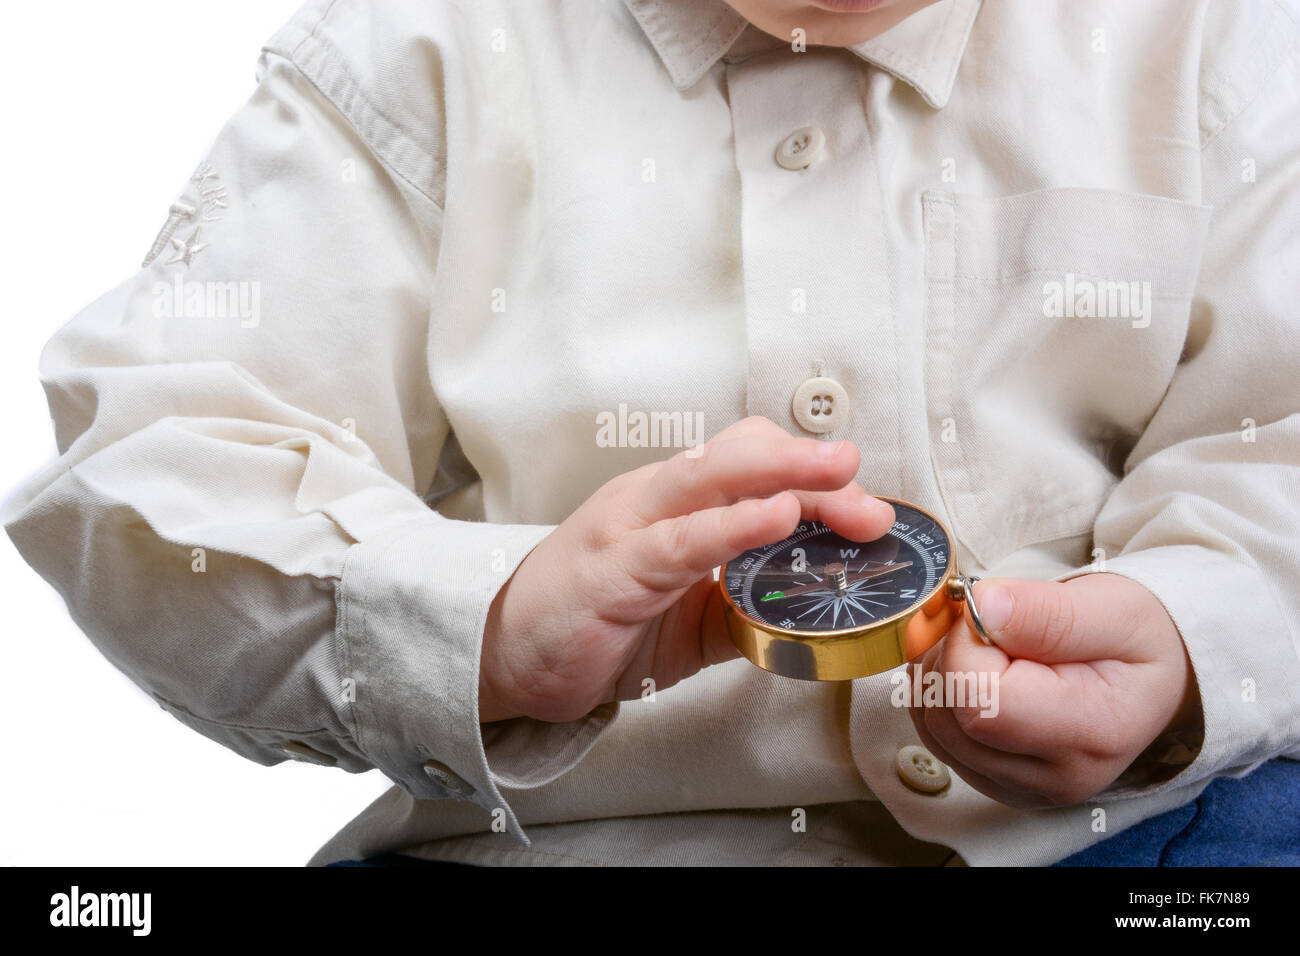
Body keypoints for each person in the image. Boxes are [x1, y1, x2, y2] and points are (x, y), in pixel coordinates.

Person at [6, 0, 1300, 867]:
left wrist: (1193, 644)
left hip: (1126, 834)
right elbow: (148, 448)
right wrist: (491, 628)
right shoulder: (430, 44)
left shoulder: (1215, 39)